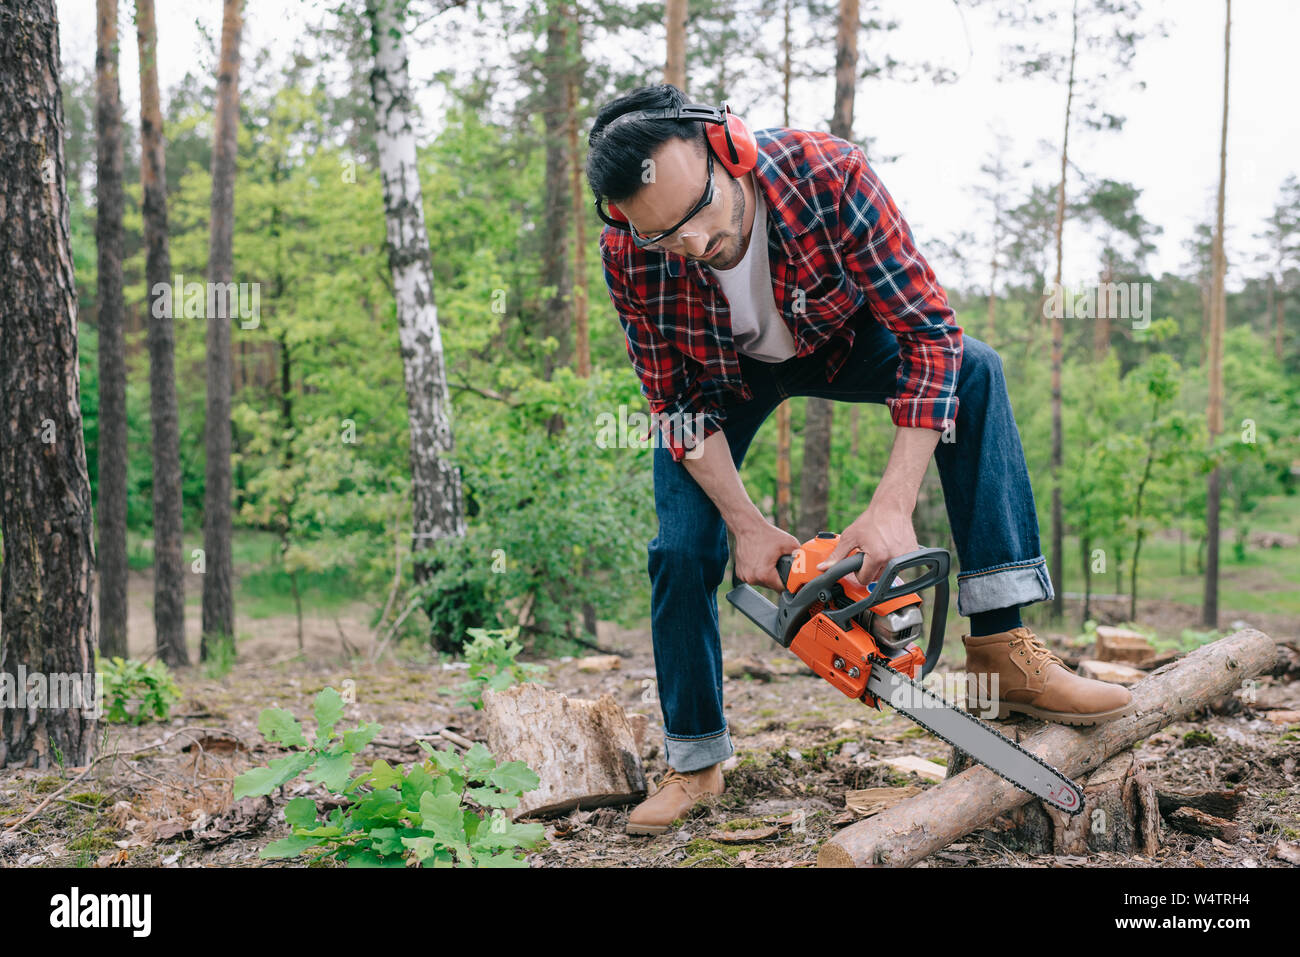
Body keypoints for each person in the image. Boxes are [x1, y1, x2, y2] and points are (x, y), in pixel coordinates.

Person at [585, 84, 1134, 837]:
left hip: (836, 344)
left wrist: (890, 506)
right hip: (718, 384)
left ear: (730, 151)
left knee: (974, 370)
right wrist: (746, 524)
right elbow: (674, 404)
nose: (689, 242)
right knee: (683, 546)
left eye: (697, 213)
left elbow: (929, 335)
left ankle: (1003, 649)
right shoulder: (630, 250)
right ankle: (697, 759)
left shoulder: (827, 175)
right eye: (663, 236)